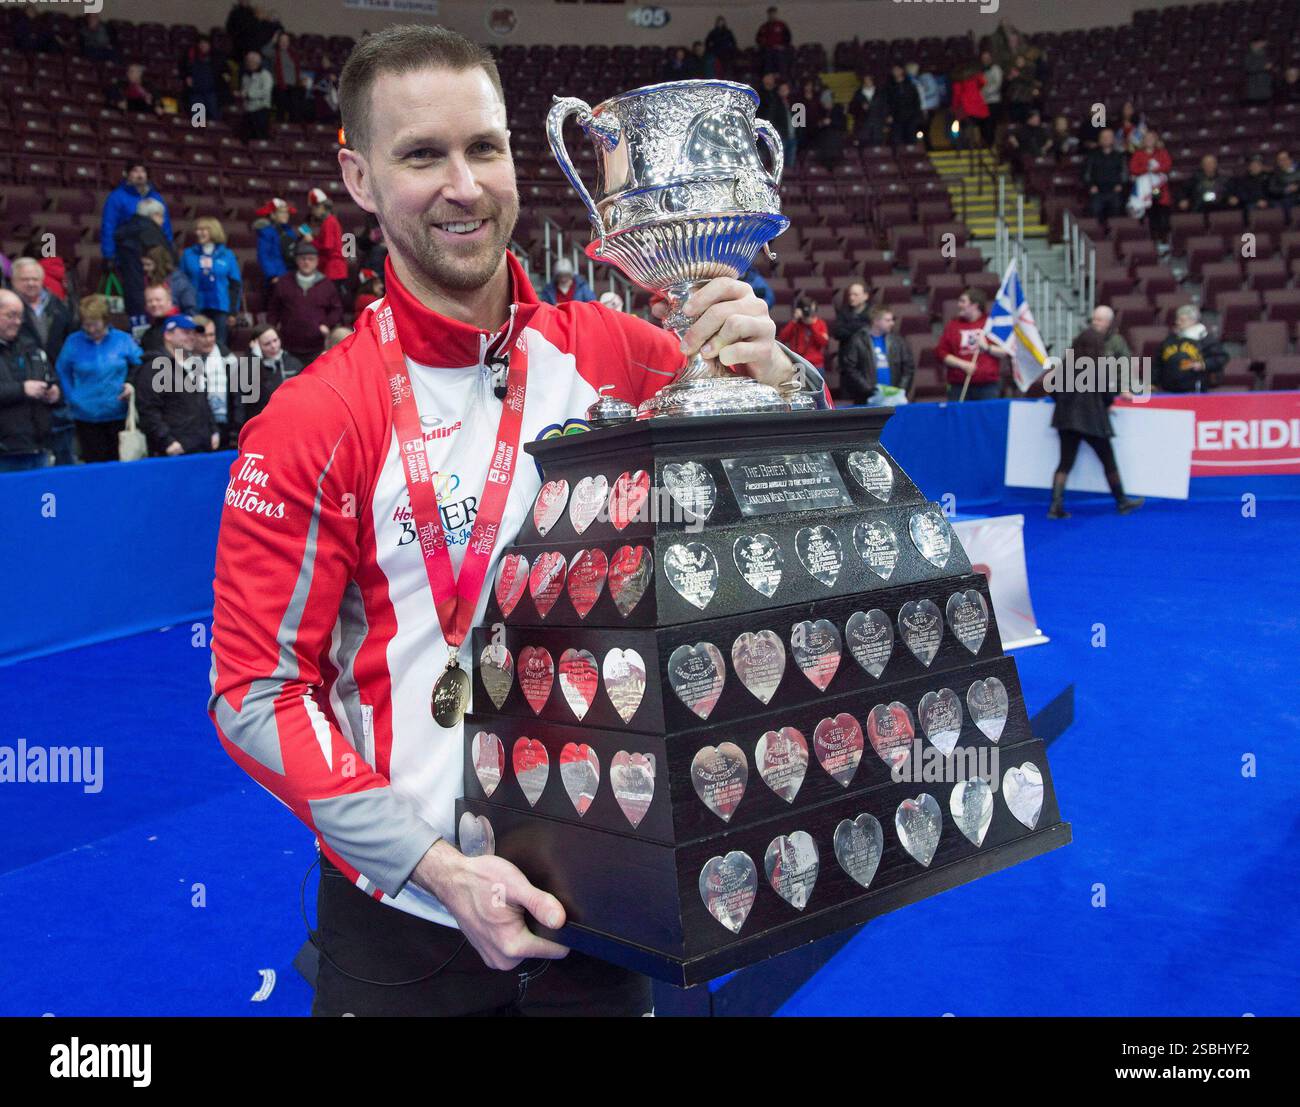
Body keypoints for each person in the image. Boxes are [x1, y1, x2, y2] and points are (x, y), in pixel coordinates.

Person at [208, 23, 824, 1020]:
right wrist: (437, 868)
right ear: (358, 178)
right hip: (407, 931)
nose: (463, 186)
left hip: (609, 901)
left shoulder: (623, 356)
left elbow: (793, 512)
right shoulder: (312, 423)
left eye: (484, 148)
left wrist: (779, 380)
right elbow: (253, 691)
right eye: (421, 155)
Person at [1046, 326, 1143, 519]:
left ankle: (1055, 506)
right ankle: (1122, 501)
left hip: (1065, 419)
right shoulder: (1100, 365)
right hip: (1092, 420)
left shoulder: (1066, 362)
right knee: (1108, 461)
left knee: (1064, 463)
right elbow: (1108, 395)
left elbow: (1051, 388)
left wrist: (1064, 402)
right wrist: (1105, 403)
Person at [55, 295, 141, 463]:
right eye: (86, 325)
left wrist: (131, 384)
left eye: (95, 324)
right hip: (86, 416)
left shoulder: (122, 340)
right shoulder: (73, 342)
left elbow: (140, 364)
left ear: (106, 320)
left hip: (118, 412)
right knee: (94, 465)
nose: (91, 329)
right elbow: (62, 371)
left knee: (121, 463)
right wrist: (72, 397)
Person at [12, 257, 75, 466]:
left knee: (63, 456)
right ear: (13, 281)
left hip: (57, 386)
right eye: (25, 279)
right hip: (22, 393)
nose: (31, 283)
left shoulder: (59, 306)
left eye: (35, 279)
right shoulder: (7, 310)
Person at [135, 315, 218, 457]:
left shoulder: (194, 364)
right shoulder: (154, 367)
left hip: (202, 446)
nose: (192, 337)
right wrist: (167, 441)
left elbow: (203, 402)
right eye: (185, 332)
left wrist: (213, 430)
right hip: (175, 451)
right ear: (168, 335)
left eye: (193, 333)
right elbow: (148, 410)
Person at [0, 289, 60, 472]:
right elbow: (23, 389)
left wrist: (54, 393)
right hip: (4, 450)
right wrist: (21, 390)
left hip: (37, 445)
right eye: (11, 316)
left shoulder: (31, 347)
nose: (17, 322)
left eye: (20, 316)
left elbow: (50, 377)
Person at [266, 241, 343, 363]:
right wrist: (272, 330)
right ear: (297, 261)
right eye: (303, 259)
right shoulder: (283, 282)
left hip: (317, 347)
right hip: (288, 346)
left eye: (310, 259)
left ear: (317, 261)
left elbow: (337, 309)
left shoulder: (326, 284)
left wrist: (326, 324)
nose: (306, 262)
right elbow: (273, 310)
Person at [101, 162, 173, 280]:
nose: (140, 175)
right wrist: (109, 255)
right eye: (135, 171)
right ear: (127, 174)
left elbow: (165, 226)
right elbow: (109, 227)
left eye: (143, 171)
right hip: (129, 255)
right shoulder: (116, 197)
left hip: (154, 255)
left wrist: (168, 250)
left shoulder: (156, 197)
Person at [181, 217, 243, 347]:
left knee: (219, 345)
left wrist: (233, 312)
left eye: (204, 229)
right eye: (197, 229)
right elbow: (181, 282)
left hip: (220, 308)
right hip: (195, 307)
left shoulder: (227, 254)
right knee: (194, 344)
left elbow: (235, 284)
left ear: (214, 231)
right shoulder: (188, 254)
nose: (199, 232)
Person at [114, 199, 175, 326]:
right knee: (164, 337)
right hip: (152, 294)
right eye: (161, 216)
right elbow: (166, 261)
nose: (163, 221)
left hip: (131, 291)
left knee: (138, 332)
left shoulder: (125, 231)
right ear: (154, 215)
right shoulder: (151, 233)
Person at [936, 289, 1005, 401]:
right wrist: (962, 364)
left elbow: (1005, 351)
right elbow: (941, 353)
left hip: (987, 386)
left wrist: (987, 348)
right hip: (959, 386)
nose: (959, 305)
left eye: (963, 302)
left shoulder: (991, 324)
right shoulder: (953, 325)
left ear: (974, 305)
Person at [839, 305, 915, 406]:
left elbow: (908, 367)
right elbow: (850, 368)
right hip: (867, 398)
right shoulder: (858, 340)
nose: (892, 323)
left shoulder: (898, 341)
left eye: (892, 320)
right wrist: (868, 389)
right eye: (888, 320)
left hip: (894, 398)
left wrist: (901, 389)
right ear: (876, 321)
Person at [236, 323, 304, 425]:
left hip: (290, 421)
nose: (273, 346)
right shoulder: (247, 366)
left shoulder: (293, 363)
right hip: (261, 423)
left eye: (275, 340)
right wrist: (254, 357)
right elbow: (246, 398)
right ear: (257, 346)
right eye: (267, 344)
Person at [191, 313, 238, 449]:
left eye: (211, 335)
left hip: (225, 427)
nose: (208, 340)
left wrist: (235, 431)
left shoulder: (228, 358)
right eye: (203, 336)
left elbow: (237, 398)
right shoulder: (182, 361)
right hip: (195, 429)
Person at [1157, 305, 1227, 393]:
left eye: (1182, 320)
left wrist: (1203, 364)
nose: (1177, 322)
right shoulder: (1171, 339)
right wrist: (1152, 383)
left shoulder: (1205, 338)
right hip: (1169, 390)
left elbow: (1221, 358)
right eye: (1177, 319)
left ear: (1193, 321)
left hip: (1194, 389)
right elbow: (1157, 362)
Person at [1128, 131, 1173, 251]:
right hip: (1145, 191)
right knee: (1150, 218)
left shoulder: (1162, 152)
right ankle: (1152, 244)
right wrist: (1148, 168)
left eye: (1151, 138)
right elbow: (1133, 168)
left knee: (1163, 218)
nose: (1149, 140)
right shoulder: (1138, 154)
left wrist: (1155, 169)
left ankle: (1164, 243)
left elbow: (1167, 166)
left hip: (1161, 191)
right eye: (1146, 138)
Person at [1082, 128, 1129, 226]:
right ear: (1099, 139)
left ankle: (1114, 236)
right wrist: (1091, 186)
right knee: (1095, 209)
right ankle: (1097, 237)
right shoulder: (1092, 155)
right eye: (1104, 137)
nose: (1106, 139)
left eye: (1109, 137)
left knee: (1117, 207)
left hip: (1115, 190)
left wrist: (1121, 185)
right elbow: (1086, 174)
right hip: (1097, 191)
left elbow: (1124, 174)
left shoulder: (1119, 156)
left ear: (1113, 139)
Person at [307, 188, 350, 293]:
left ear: (321, 207)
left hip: (333, 270)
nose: (312, 212)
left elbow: (327, 246)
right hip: (335, 269)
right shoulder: (330, 220)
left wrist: (311, 241)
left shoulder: (329, 222)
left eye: (313, 208)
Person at [253, 197, 300, 292]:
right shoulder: (266, 233)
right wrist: (272, 276)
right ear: (273, 215)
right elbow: (264, 256)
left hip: (292, 276)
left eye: (287, 212)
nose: (286, 215)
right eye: (282, 212)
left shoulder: (290, 232)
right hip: (277, 277)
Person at [777, 297, 829, 372]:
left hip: (816, 366)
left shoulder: (820, 323)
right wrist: (794, 321)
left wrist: (812, 325)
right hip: (797, 364)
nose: (810, 313)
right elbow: (782, 338)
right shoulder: (795, 324)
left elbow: (824, 342)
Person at [143, 245, 198, 314]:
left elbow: (190, 309)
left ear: (159, 264)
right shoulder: (147, 281)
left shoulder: (179, 281)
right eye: (143, 265)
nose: (144, 268)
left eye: (148, 265)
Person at [182, 34, 223, 123]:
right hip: (196, 92)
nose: (203, 46)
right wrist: (187, 77)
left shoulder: (217, 57)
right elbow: (184, 70)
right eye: (201, 44)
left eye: (205, 44)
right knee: (198, 121)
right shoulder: (191, 56)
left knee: (214, 118)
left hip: (211, 92)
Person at [949, 63, 989, 149]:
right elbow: (983, 83)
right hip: (978, 105)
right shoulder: (975, 78)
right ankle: (978, 143)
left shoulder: (959, 80)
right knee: (976, 125)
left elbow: (957, 95)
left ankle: (969, 144)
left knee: (966, 126)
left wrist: (954, 107)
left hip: (965, 106)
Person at [884, 64, 924, 147]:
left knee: (911, 138)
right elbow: (887, 102)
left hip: (910, 117)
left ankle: (912, 157)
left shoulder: (911, 86)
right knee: (897, 140)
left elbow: (916, 102)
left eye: (898, 70)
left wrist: (917, 115)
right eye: (894, 70)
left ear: (902, 71)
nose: (896, 72)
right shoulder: (889, 88)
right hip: (896, 118)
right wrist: (888, 114)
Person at [240, 50, 273, 142]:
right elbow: (244, 89)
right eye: (248, 61)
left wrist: (249, 94)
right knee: (248, 137)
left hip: (261, 109)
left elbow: (265, 92)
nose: (250, 63)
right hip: (248, 110)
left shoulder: (265, 75)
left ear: (258, 62)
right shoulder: (245, 76)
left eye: (252, 61)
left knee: (260, 136)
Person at [139, 282, 182, 354]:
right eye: (149, 301)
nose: (154, 304)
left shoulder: (182, 328)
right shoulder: (149, 333)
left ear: (169, 301)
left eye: (158, 300)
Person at [850, 73, 888, 147]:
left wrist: (885, 121)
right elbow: (852, 109)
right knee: (865, 146)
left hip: (877, 124)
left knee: (878, 145)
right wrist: (861, 107)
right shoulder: (858, 94)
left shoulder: (880, 92)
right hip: (863, 125)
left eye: (869, 80)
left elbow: (885, 107)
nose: (867, 82)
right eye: (865, 80)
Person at [832, 280, 872, 346]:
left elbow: (873, 332)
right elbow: (837, 333)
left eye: (855, 295)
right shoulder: (843, 312)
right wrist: (861, 327)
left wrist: (849, 326)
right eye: (850, 294)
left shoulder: (874, 312)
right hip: (848, 352)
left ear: (865, 296)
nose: (851, 298)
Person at [756, 6, 792, 77]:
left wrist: (782, 46)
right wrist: (764, 45)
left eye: (773, 13)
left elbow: (788, 38)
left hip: (780, 50)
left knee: (781, 57)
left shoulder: (782, 25)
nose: (772, 16)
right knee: (767, 58)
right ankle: (768, 76)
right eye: (770, 14)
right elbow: (758, 39)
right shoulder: (764, 27)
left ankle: (782, 76)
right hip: (768, 50)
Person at [1268, 149, 1299, 217]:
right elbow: (1272, 188)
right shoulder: (1275, 174)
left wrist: (1297, 187)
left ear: (1291, 159)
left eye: (1285, 158)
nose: (1282, 161)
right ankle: (1289, 224)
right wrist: (1286, 189)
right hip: (1285, 198)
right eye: (1280, 160)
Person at [1245, 38, 1273, 105]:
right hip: (1254, 87)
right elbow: (1248, 68)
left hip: (1265, 85)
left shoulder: (1266, 54)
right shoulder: (1249, 56)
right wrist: (1263, 67)